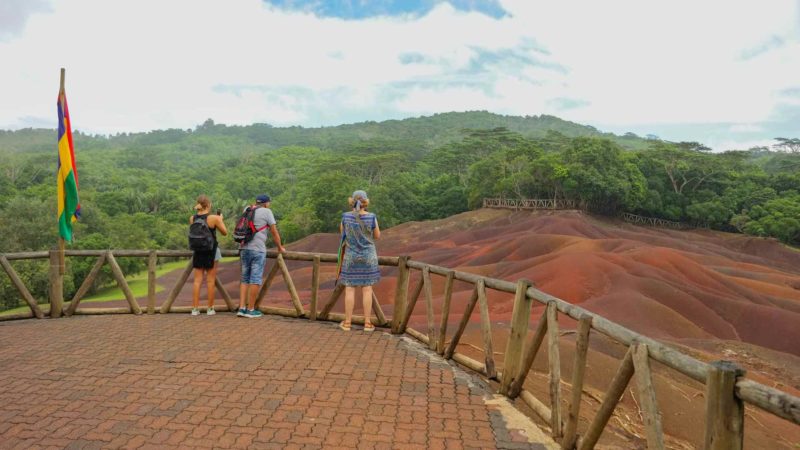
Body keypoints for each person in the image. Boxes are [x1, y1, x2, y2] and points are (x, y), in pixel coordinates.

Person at [338, 190, 381, 331]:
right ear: (365, 202)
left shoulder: (345, 217)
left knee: (349, 289)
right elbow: (377, 236)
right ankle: (367, 324)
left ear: (352, 201)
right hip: (368, 256)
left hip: (351, 256)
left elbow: (342, 234)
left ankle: (347, 323)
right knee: (367, 289)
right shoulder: (372, 217)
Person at [238, 194, 285, 318]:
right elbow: (274, 232)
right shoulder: (267, 212)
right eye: (269, 202)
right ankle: (251, 310)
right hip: (258, 249)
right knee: (255, 279)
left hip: (243, 248)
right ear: (266, 203)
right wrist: (280, 247)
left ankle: (241, 308)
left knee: (244, 279)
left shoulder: (247, 209)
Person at [190, 195, 228, 316]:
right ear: (208, 205)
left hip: (197, 251)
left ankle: (195, 309)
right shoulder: (214, 218)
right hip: (211, 251)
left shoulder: (192, 218)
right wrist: (220, 219)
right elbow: (225, 233)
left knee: (197, 281)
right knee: (210, 281)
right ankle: (210, 309)